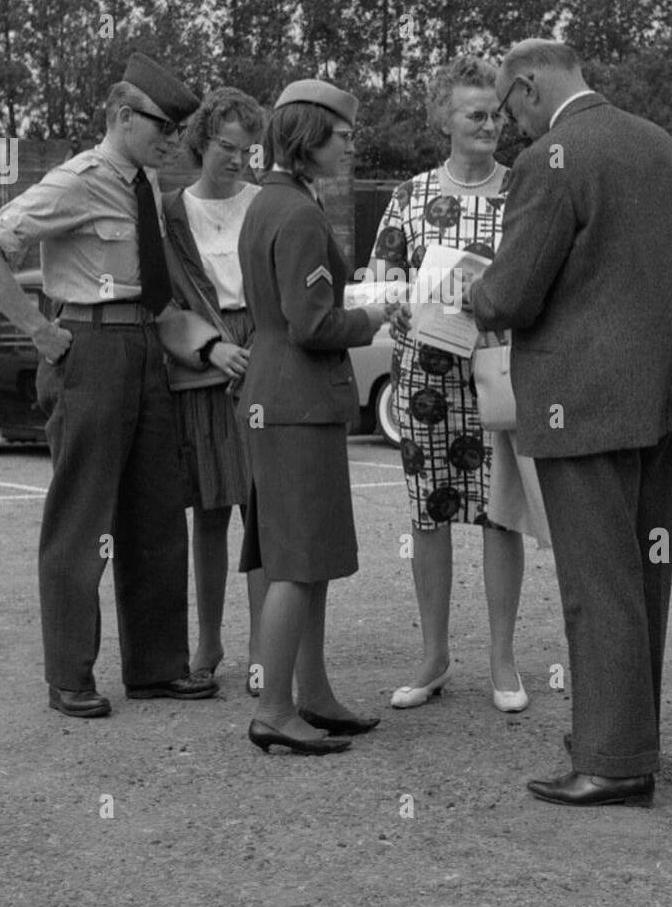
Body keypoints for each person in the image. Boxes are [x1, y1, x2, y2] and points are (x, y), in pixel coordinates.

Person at [466, 39, 672, 806]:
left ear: (530, 86)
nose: (512, 125)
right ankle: (630, 737)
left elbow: (512, 296)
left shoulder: (552, 160)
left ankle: (611, 761)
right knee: (643, 575)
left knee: (596, 585)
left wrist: (474, 292)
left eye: (509, 106)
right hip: (663, 399)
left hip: (585, 403)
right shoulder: (657, 143)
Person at [0, 52, 208, 719]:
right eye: (162, 125)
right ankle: (70, 675)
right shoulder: (77, 180)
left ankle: (158, 667)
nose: (171, 139)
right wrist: (39, 333)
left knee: (156, 511)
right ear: (122, 117)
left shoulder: (141, 189)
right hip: (91, 348)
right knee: (82, 518)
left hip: (144, 346)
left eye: (177, 130)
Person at [368, 55, 539, 714]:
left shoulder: (522, 191)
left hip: (498, 376)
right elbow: (380, 282)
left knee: (502, 517)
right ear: (444, 117)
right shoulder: (409, 197)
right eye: (476, 114)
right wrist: (403, 309)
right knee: (429, 517)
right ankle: (433, 656)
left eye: (497, 114)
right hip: (424, 378)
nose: (491, 124)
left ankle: (503, 660)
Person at [237, 79, 400, 754]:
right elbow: (311, 324)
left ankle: (314, 695)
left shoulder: (270, 202)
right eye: (342, 133)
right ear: (308, 136)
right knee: (297, 563)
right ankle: (276, 709)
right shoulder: (299, 214)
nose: (352, 143)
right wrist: (377, 316)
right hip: (296, 402)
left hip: (273, 396)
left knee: (305, 559)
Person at [161, 87, 268, 698]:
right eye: (226, 146)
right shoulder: (171, 211)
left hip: (262, 357)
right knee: (208, 510)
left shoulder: (268, 202)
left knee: (261, 509)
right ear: (203, 142)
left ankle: (261, 645)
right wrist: (211, 346)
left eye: (248, 150)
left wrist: (264, 351)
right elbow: (168, 302)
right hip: (203, 361)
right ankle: (208, 641)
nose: (237, 159)